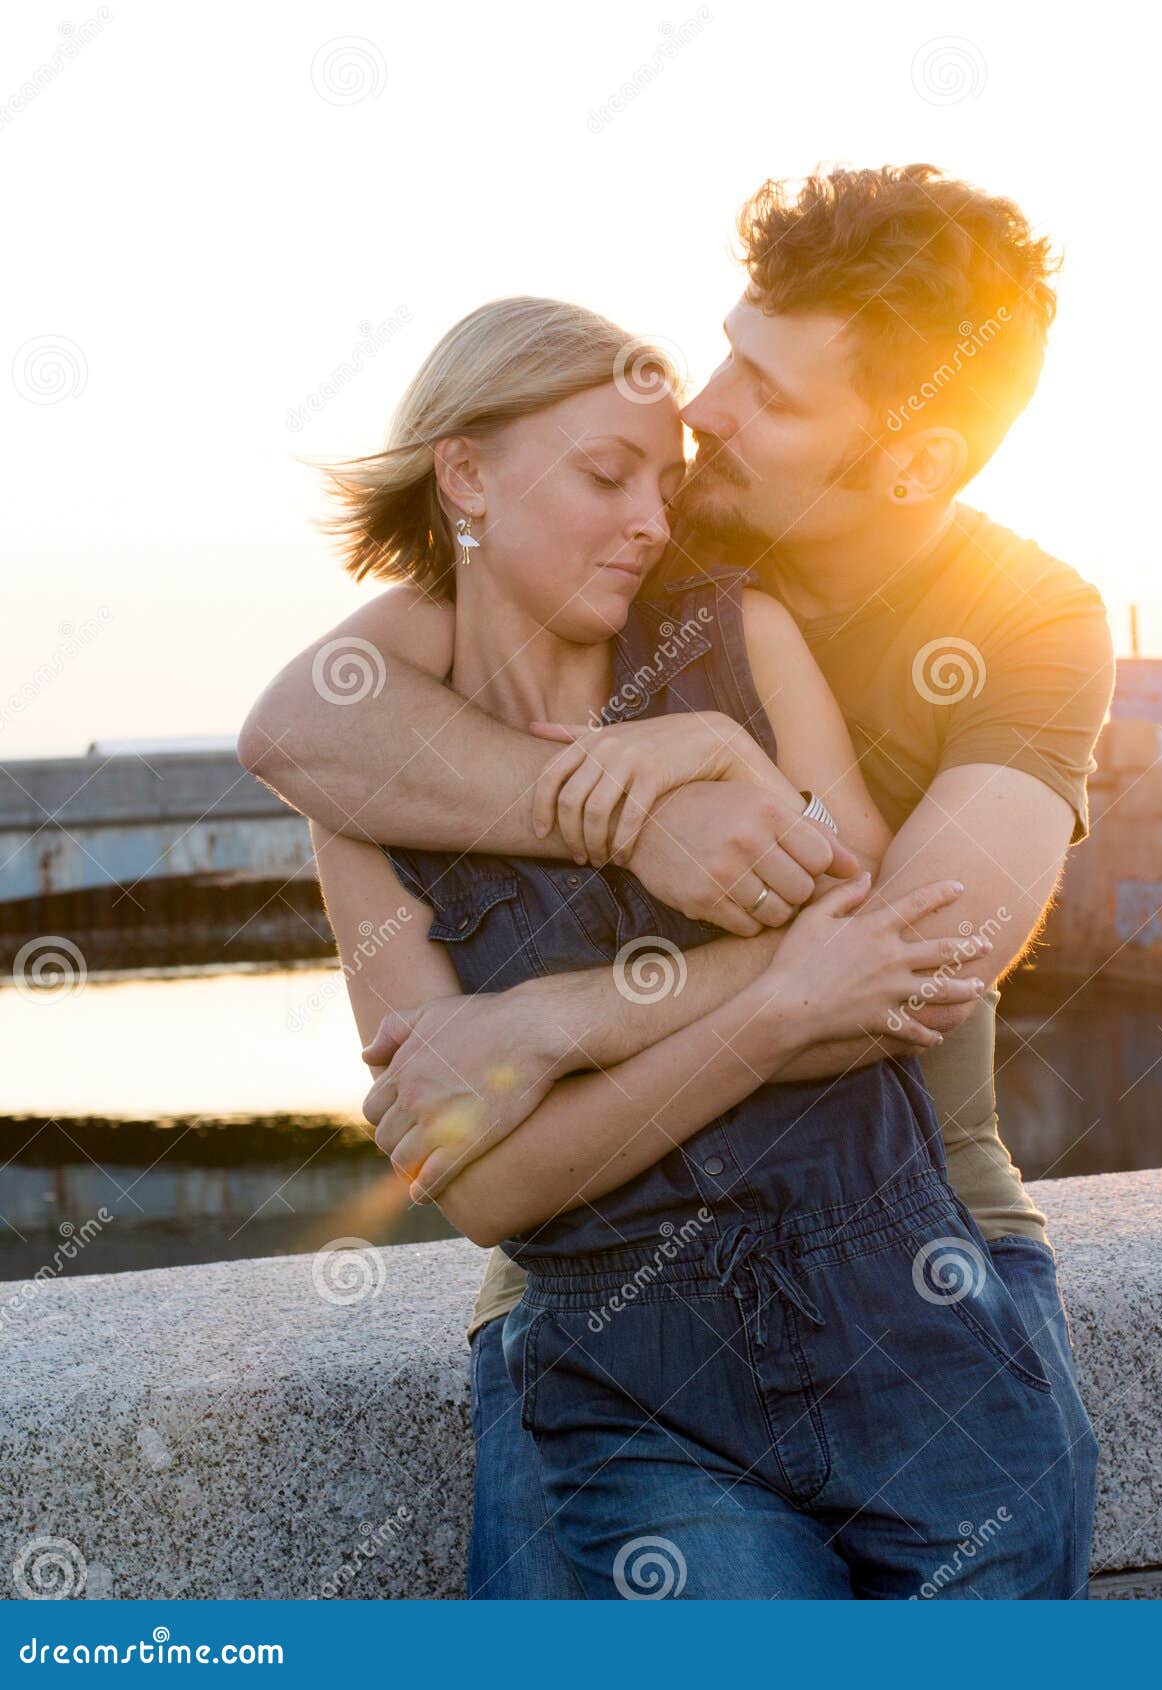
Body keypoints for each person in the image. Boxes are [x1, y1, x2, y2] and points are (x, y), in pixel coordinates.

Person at [241, 163, 1114, 1598]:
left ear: (914, 459)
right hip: (595, 1273)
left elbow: (921, 959)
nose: (704, 412)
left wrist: (552, 1019)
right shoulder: (648, 534)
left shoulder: (1022, 617)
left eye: (769, 392)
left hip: (919, 1227)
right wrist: (621, 819)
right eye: (728, 353)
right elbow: (303, 723)